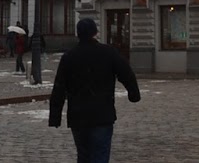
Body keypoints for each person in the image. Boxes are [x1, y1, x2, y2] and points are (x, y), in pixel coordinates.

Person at [50, 17, 141, 163]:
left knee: (83, 155)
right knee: (100, 155)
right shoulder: (108, 52)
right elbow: (126, 74)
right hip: (102, 114)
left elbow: (59, 87)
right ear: (95, 33)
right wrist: (133, 94)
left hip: (78, 115)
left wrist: (55, 116)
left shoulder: (69, 56)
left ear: (78, 34)